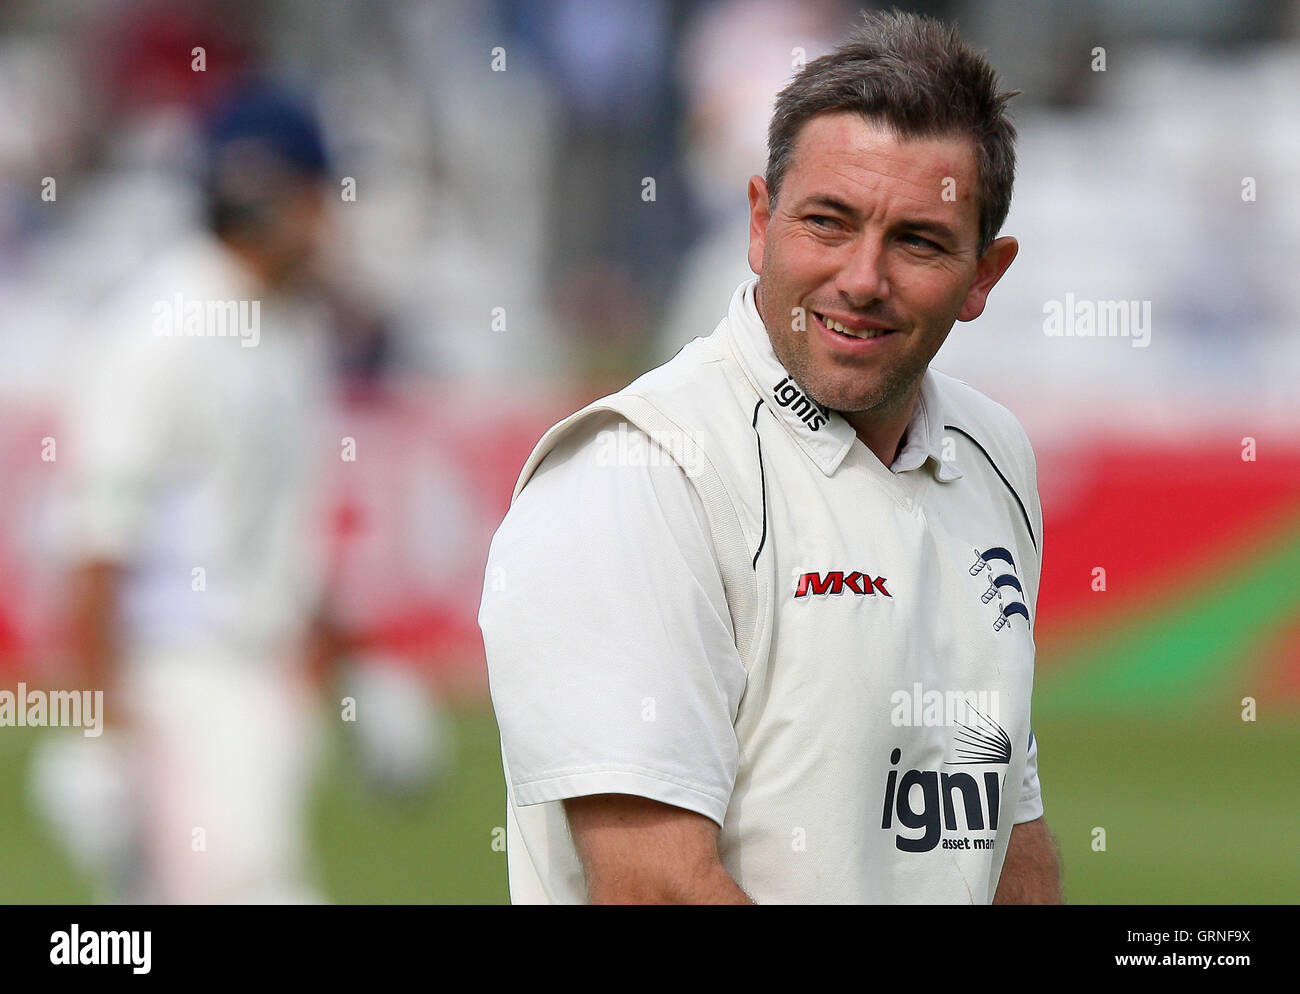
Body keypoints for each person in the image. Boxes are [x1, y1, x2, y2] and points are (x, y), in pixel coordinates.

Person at [479, 10, 1063, 904]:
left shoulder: (995, 455)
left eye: (917, 240)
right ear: (760, 222)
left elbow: (1006, 831)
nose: (862, 279)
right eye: (828, 223)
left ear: (985, 275)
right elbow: (655, 889)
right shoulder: (636, 472)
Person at [42, 83, 340, 903]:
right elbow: (99, 537)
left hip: (260, 680)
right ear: (275, 198)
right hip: (180, 678)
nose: (331, 221)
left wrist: (357, 672)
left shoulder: (287, 327)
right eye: (318, 197)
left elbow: (276, 529)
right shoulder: (156, 329)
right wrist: (101, 728)